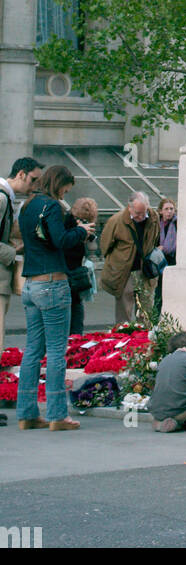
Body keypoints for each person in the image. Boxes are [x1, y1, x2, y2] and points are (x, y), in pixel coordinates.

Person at [16, 167, 94, 431]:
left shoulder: (28, 206)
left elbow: (35, 240)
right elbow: (60, 240)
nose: (65, 194)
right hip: (53, 283)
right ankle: (57, 415)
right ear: (59, 184)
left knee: (33, 351)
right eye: (66, 189)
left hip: (30, 284)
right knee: (56, 352)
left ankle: (27, 413)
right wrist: (82, 231)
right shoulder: (51, 206)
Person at [0, 158, 43, 359]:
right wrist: (13, 253)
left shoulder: (6, 197)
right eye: (33, 180)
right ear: (20, 174)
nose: (34, 186)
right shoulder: (2, 198)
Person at [100, 192, 160, 325]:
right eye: (138, 213)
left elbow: (155, 238)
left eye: (144, 212)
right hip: (124, 272)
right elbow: (105, 245)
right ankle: (124, 338)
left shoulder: (153, 217)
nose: (141, 217)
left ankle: (145, 339)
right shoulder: (116, 221)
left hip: (145, 272)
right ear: (129, 208)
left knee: (146, 312)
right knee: (124, 312)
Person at [65, 197, 98, 335]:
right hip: (71, 276)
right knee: (76, 318)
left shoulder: (66, 221)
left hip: (71, 276)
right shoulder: (71, 227)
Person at [153, 197, 177, 320]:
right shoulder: (157, 225)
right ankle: (156, 318)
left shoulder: (177, 224)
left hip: (173, 261)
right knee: (159, 292)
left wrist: (165, 248)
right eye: (166, 209)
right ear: (161, 211)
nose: (169, 212)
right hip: (160, 262)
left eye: (171, 209)